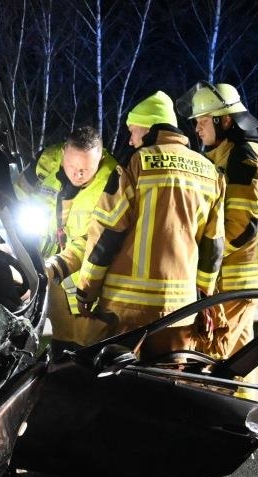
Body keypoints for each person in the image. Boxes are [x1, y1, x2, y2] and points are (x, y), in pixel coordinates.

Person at [75, 91, 224, 355]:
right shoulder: (210, 172)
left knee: (121, 388)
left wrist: (86, 290)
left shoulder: (135, 165)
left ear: (149, 128)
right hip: (182, 311)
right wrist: (204, 297)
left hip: (126, 313)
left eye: (133, 131)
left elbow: (106, 233)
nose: (132, 141)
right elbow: (213, 245)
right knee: (168, 387)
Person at [186, 81, 258, 358]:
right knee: (239, 354)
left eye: (202, 121)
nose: (197, 128)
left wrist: (203, 255)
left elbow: (242, 225)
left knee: (219, 354)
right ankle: (246, 400)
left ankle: (230, 401)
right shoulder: (227, 154)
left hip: (237, 279)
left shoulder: (244, 156)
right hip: (232, 278)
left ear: (224, 120)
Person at [16, 126, 119, 353]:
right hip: (40, 255)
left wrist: (52, 267)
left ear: (100, 159)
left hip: (78, 269)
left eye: (85, 169)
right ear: (64, 152)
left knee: (77, 333)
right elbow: (15, 194)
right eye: (72, 166)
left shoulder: (111, 183)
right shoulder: (47, 160)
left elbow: (93, 243)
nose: (77, 174)